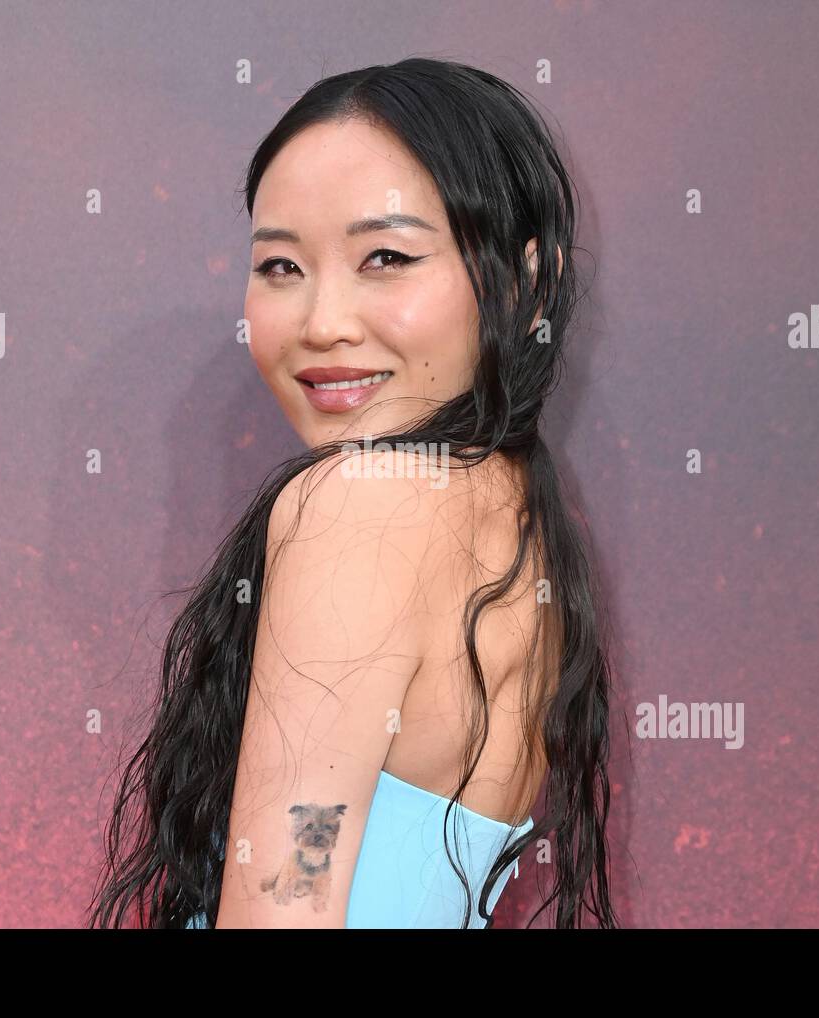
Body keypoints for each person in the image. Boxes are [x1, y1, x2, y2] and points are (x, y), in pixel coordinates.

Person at [88, 57, 621, 929]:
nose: (323, 322)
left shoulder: (358, 505)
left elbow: (285, 910)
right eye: (281, 268)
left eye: (386, 257)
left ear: (526, 279)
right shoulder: (515, 513)